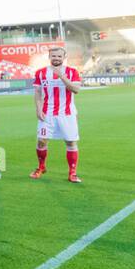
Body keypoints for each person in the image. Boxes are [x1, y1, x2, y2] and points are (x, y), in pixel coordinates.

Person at [31, 46, 83, 183]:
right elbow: (37, 93)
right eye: (53, 56)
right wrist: (38, 109)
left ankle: (72, 173)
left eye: (59, 56)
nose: (56, 58)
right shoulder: (40, 73)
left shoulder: (72, 72)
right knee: (41, 141)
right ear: (49, 57)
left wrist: (62, 76)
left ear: (64, 58)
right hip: (47, 113)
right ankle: (41, 167)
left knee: (71, 142)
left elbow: (76, 89)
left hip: (67, 113)